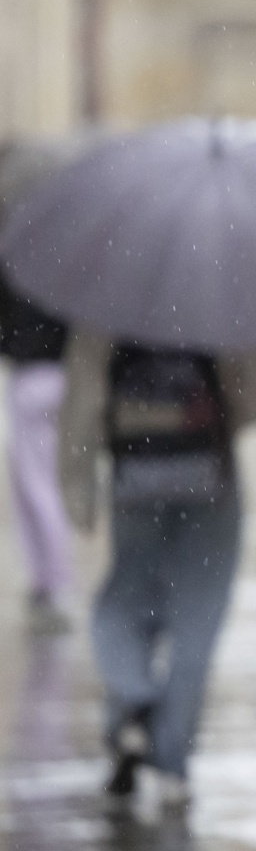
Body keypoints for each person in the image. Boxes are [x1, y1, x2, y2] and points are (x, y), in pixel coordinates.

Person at [59, 331, 256, 807]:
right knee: (197, 624)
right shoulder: (227, 294)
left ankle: (133, 700)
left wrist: (79, 485)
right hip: (210, 477)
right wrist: (222, 412)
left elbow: (81, 398)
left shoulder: (109, 296)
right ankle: (172, 766)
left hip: (135, 476)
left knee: (123, 602)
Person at [0, 140, 82, 634]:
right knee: (51, 481)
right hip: (68, 374)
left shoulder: (12, 248)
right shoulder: (74, 246)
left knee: (36, 486)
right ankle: (50, 581)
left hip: (32, 377)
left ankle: (54, 582)